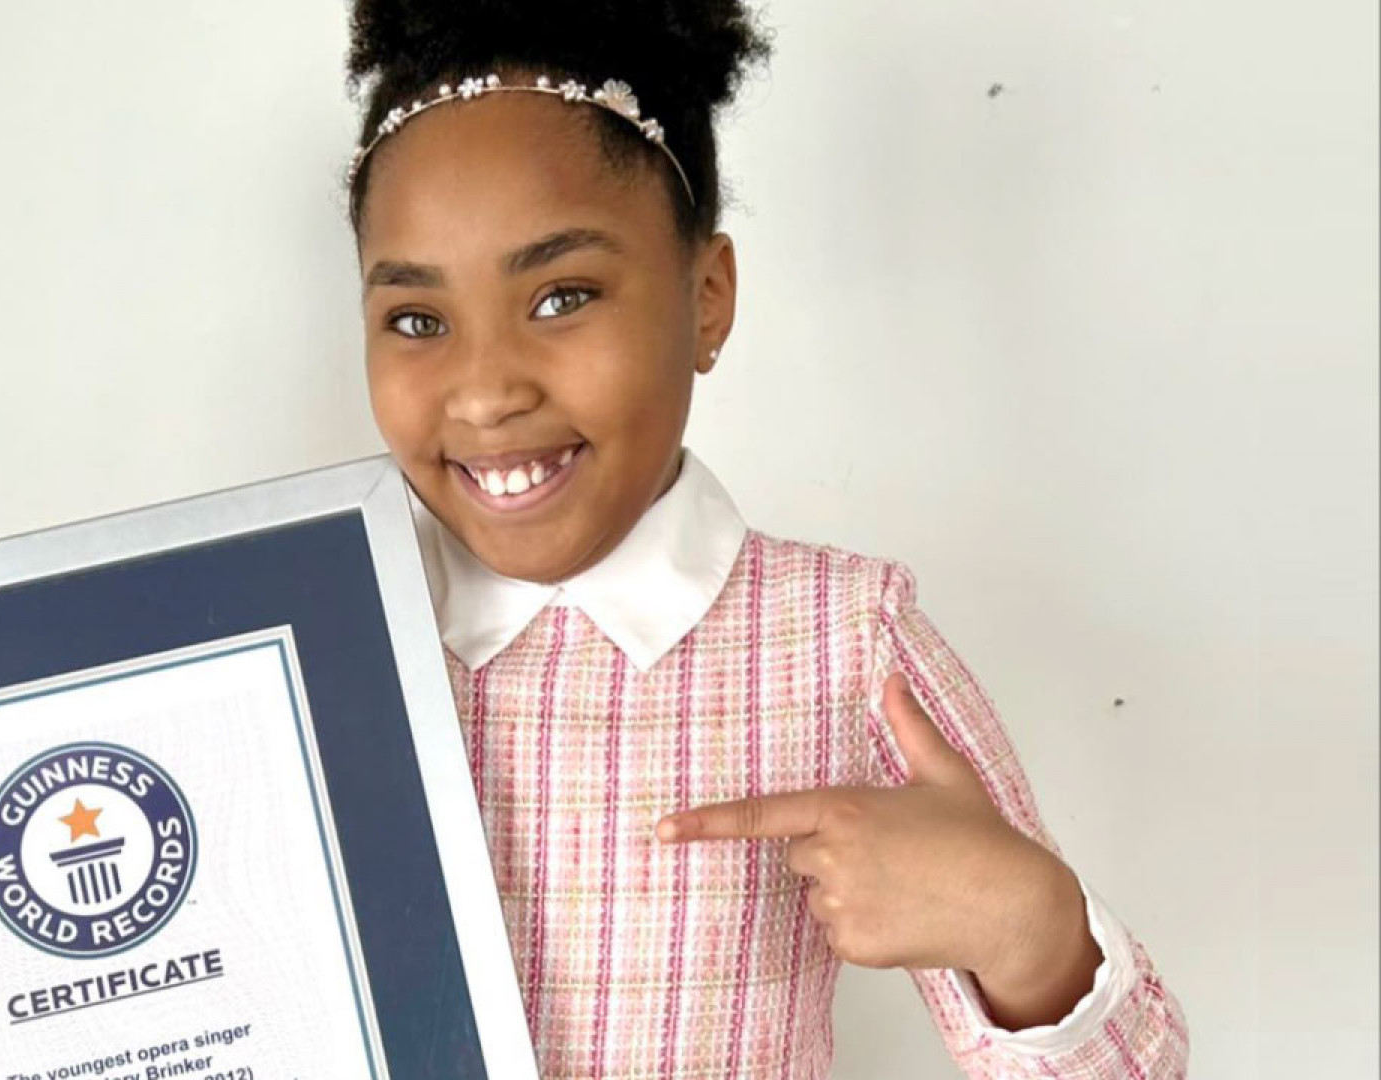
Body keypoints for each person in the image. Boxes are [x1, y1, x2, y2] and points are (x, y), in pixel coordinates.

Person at [341, 1, 1190, 1076]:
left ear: (706, 300)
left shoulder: (841, 642)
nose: (485, 391)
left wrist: (1022, 928)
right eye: (417, 320)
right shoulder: (319, 643)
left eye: (562, 297)